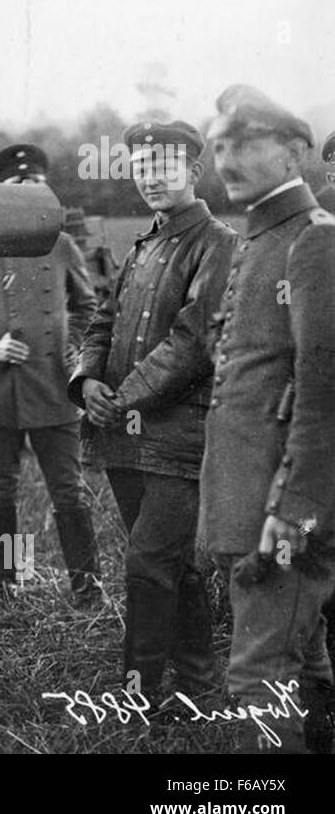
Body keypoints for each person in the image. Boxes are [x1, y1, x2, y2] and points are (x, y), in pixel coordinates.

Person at [68, 121, 235, 703]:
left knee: (145, 563)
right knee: (173, 565)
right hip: (124, 434)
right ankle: (196, 681)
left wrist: (121, 397)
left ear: (193, 170)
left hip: (178, 436)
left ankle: (136, 693)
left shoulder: (218, 243)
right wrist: (86, 378)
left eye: (165, 166)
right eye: (142, 168)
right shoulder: (141, 246)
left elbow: (193, 343)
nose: (153, 178)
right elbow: (103, 323)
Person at [200, 84, 335, 753]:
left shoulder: (313, 242)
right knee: (300, 651)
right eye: (219, 144)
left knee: (258, 675)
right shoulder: (261, 238)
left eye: (247, 142)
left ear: (295, 152)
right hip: (249, 495)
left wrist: (295, 511)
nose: (227, 157)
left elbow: (323, 392)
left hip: (285, 510)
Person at [0, 143, 101, 602]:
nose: (28, 191)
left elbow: (89, 308)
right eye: (16, 185)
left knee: (69, 489)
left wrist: (71, 349)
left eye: (36, 184)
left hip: (54, 386)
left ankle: (89, 588)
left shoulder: (63, 245)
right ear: (0, 194)